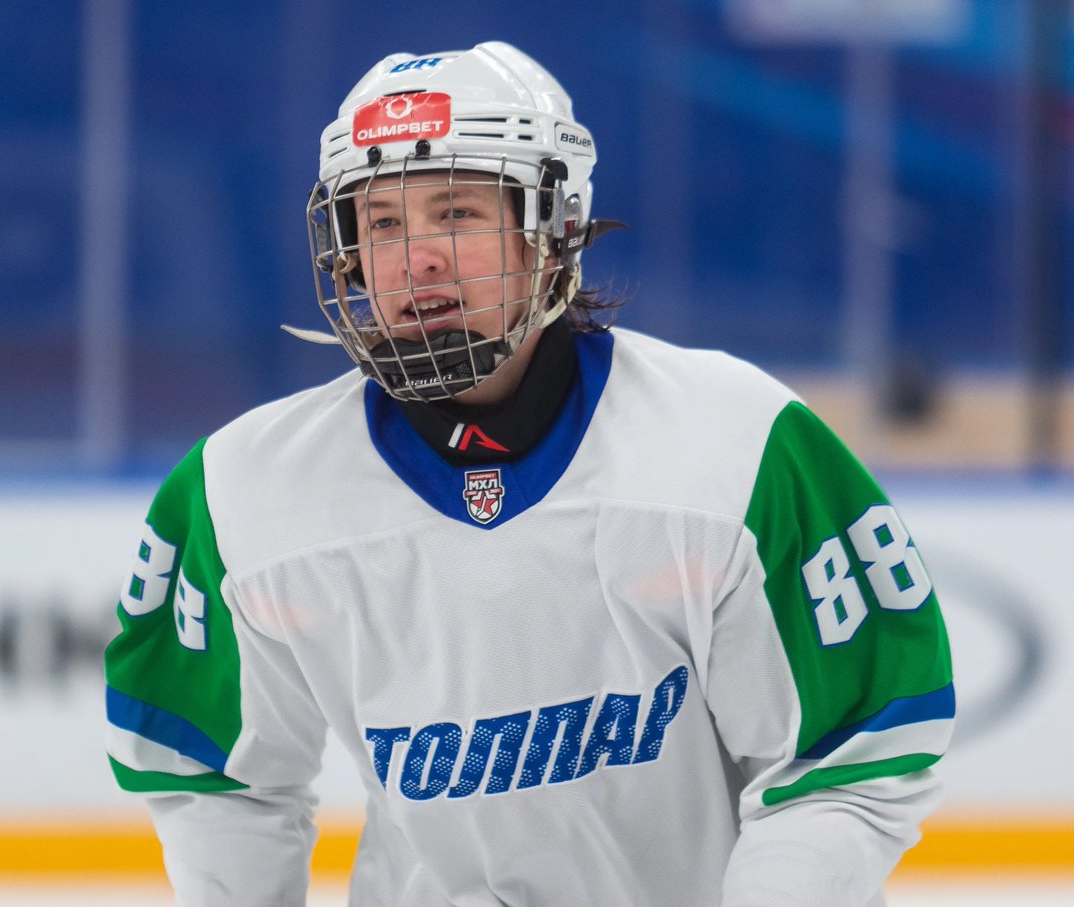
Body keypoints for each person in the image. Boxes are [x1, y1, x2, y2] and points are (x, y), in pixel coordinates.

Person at [104, 41, 954, 907]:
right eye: (384, 223)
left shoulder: (736, 444)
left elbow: (850, 751)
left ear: (556, 228)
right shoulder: (245, 491)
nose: (416, 257)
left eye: (457, 212)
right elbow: (212, 774)